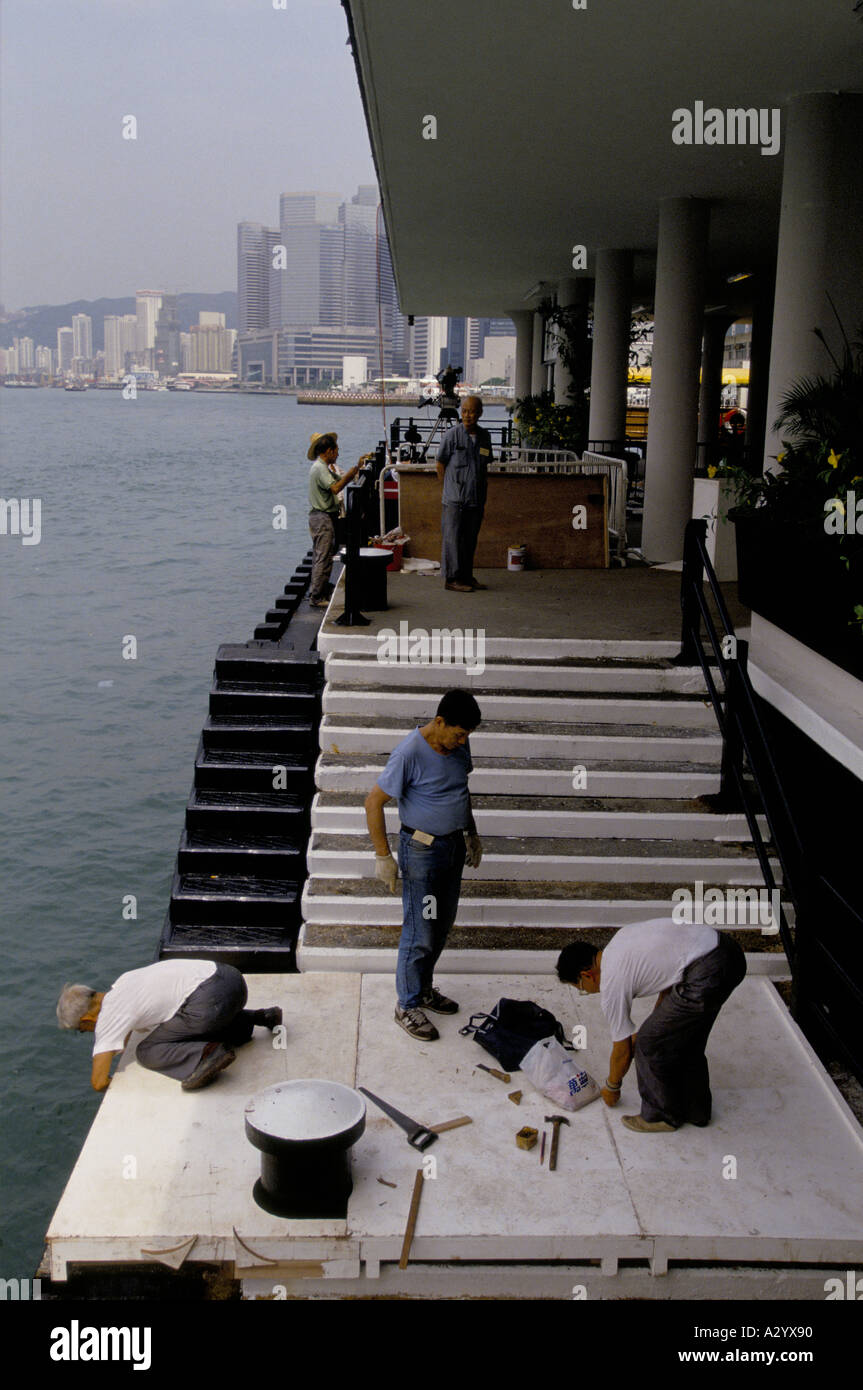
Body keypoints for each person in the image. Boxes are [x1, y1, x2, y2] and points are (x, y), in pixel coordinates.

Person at [364, 689, 483, 1040]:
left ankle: (424, 990)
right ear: (439, 722)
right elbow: (373, 802)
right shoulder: (409, 753)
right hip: (422, 851)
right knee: (420, 929)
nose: (461, 742)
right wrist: (383, 856)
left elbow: (460, 790)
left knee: (442, 923)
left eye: (467, 737)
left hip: (453, 848)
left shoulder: (459, 745)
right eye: (458, 734)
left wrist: (472, 834)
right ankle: (407, 1004)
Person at [556, 918, 746, 1132]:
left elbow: (622, 1051)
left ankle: (660, 1116)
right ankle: (697, 1111)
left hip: (706, 973)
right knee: (687, 1039)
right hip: (727, 952)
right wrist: (657, 1026)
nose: (587, 991)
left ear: (587, 975)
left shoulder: (611, 983)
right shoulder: (622, 939)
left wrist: (612, 1086)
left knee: (648, 1043)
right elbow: (672, 976)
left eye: (581, 987)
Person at [57, 960, 282, 1092]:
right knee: (181, 1020)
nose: (86, 1032)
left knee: (147, 1051)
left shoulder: (108, 1017)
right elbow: (122, 1035)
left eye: (81, 1029)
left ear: (87, 1021)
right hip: (231, 980)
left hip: (210, 1002)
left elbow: (97, 1082)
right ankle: (259, 1018)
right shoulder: (124, 981)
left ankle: (209, 1055)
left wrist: (117, 1085)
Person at [436, 395, 493, 592]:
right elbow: (440, 463)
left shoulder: (485, 437)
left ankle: (467, 576)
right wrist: (447, 488)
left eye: (473, 412)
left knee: (470, 539)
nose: (468, 415)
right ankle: (452, 579)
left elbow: (485, 464)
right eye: (465, 411)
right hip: (455, 499)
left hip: (475, 499)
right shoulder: (452, 435)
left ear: (480, 413)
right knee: (452, 539)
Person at [307, 431, 362, 608]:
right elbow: (337, 487)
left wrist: (356, 470)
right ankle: (316, 596)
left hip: (325, 516)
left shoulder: (325, 468)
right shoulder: (319, 468)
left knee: (324, 555)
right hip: (321, 517)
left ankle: (320, 590)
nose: (338, 454)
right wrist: (351, 473)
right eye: (336, 451)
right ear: (329, 451)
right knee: (323, 556)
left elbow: (341, 479)